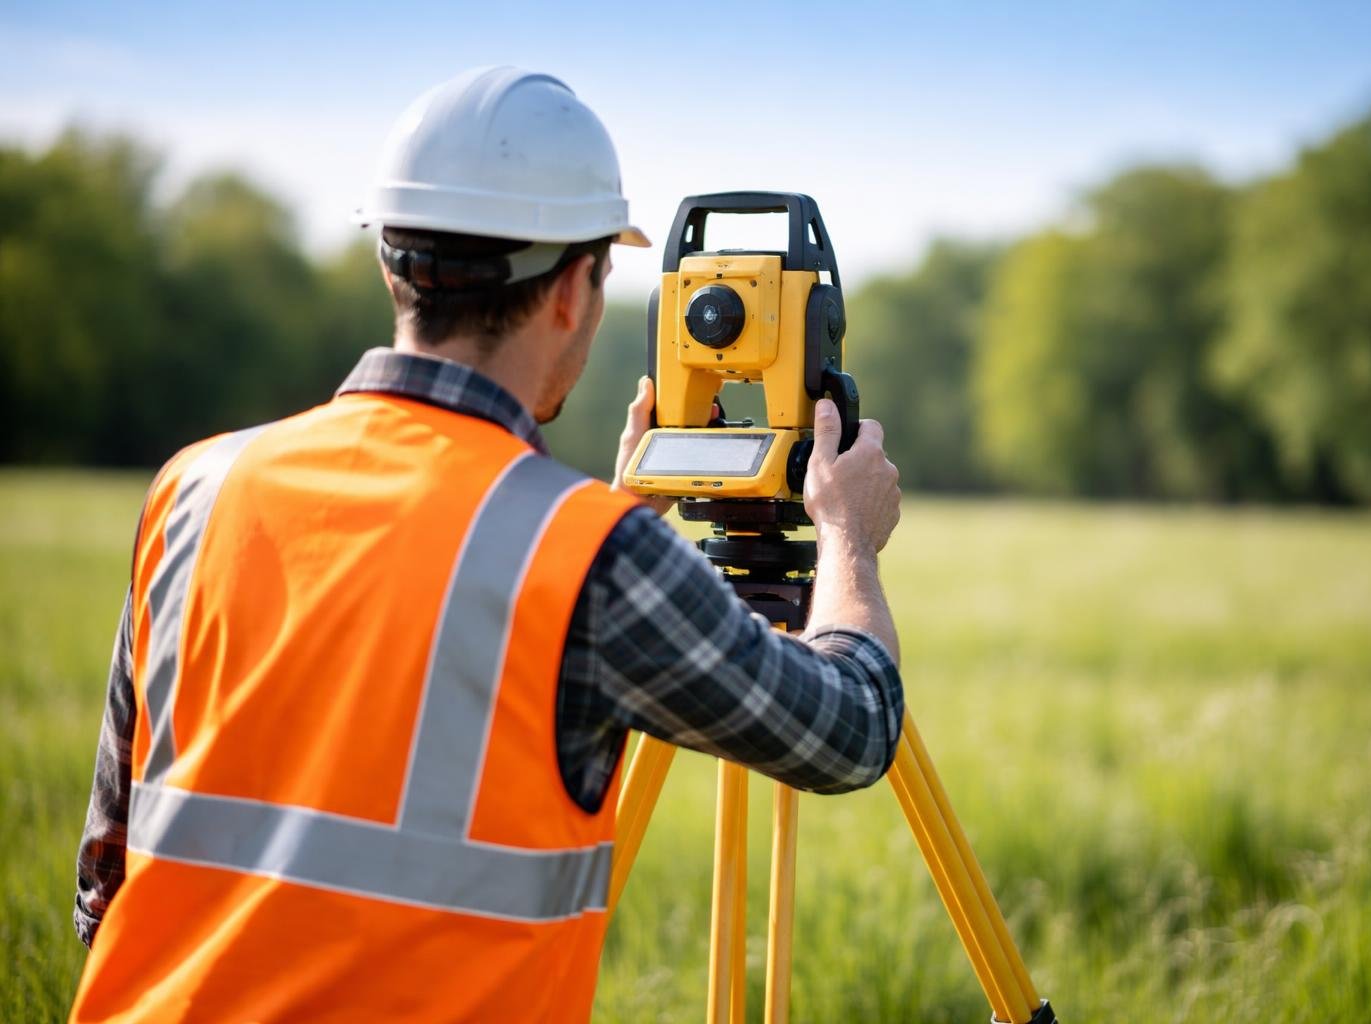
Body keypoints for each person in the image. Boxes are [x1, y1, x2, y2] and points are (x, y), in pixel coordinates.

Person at [68, 66, 903, 1023]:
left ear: (390, 264)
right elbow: (850, 730)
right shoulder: (588, 559)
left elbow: (107, 878)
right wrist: (846, 540)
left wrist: (610, 512)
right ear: (576, 289)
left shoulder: (196, 487)